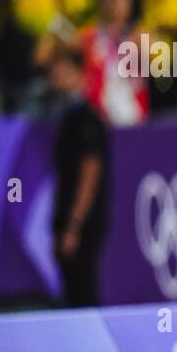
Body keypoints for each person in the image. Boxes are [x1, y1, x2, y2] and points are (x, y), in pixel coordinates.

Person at [50, 45, 109, 307]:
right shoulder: (67, 116)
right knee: (72, 289)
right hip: (70, 218)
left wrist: (74, 224)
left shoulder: (86, 120)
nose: (56, 78)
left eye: (62, 72)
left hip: (82, 222)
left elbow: (90, 171)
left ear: (78, 75)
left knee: (82, 290)